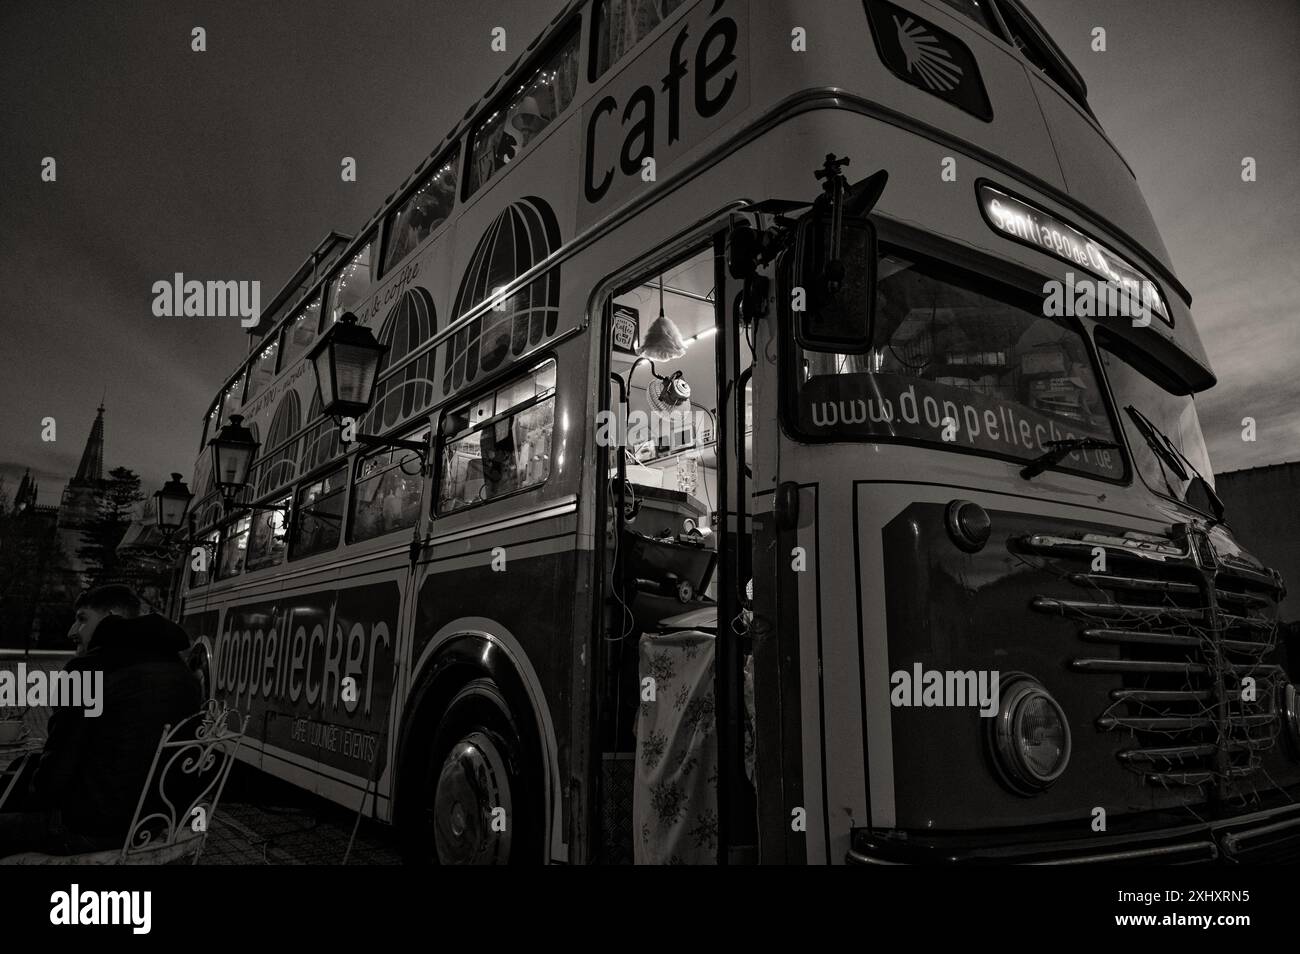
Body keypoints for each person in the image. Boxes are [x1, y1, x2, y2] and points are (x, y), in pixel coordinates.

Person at [0, 584, 201, 857]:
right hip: (154, 822)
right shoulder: (183, 673)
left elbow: (51, 781)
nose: (72, 631)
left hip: (91, 827)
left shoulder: (87, 671)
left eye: (82, 619)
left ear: (112, 617)